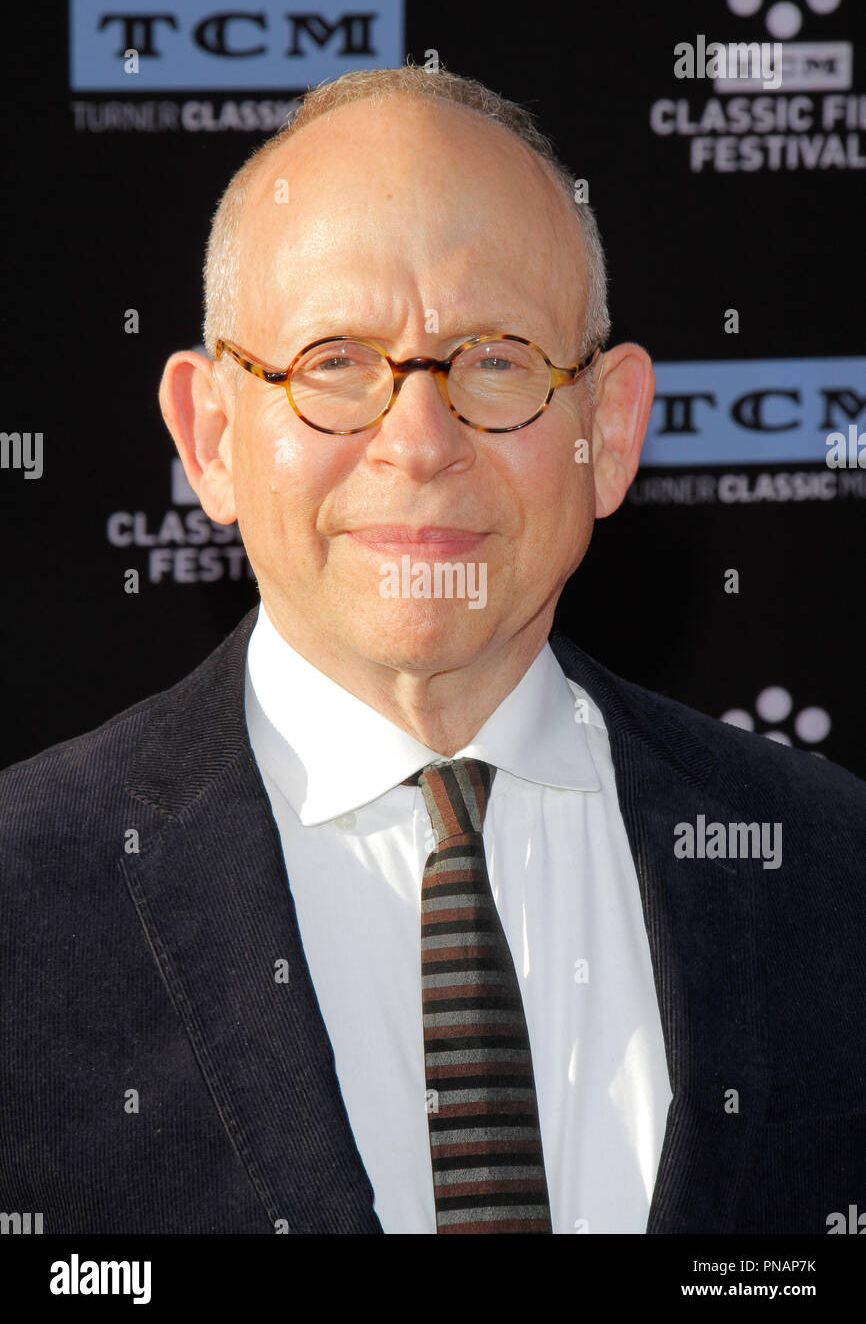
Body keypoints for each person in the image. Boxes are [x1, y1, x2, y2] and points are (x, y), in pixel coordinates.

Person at [2, 66, 864, 1236]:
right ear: (210, 435)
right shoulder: (23, 895)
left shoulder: (828, 866)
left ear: (607, 434)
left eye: (496, 359)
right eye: (333, 364)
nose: (418, 441)